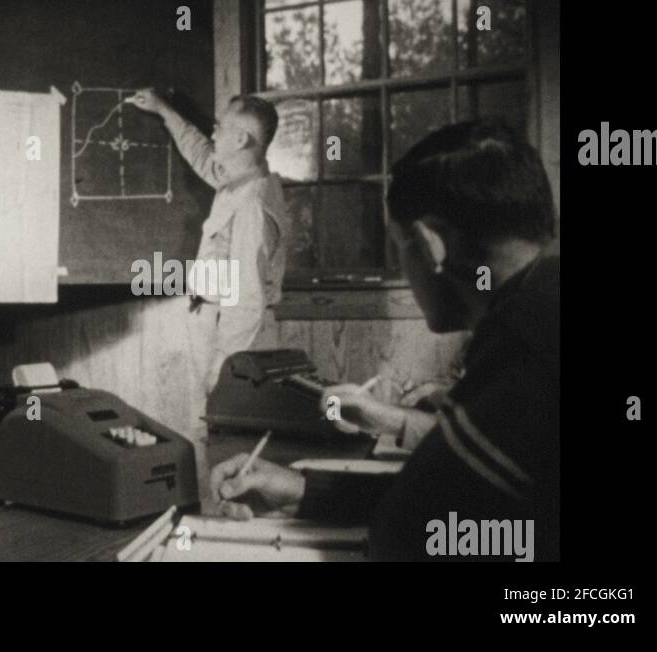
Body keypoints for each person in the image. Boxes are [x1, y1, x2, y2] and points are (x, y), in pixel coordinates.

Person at [210, 119, 560, 561]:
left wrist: (317, 492)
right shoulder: (539, 296)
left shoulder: (527, 335)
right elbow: (455, 504)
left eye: (398, 248)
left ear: (431, 246)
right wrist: (301, 490)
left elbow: (408, 531)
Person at [127, 90, 290, 407]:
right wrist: (164, 111)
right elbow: (202, 156)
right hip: (216, 324)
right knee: (219, 422)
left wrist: (223, 366)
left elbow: (246, 297)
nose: (213, 133)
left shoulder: (251, 205)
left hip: (232, 337)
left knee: (225, 421)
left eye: (220, 127)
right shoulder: (243, 182)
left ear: (241, 140)